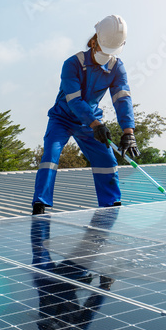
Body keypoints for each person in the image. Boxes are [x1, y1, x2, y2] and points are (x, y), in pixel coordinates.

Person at [32, 14, 140, 215]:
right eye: (103, 49)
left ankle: (111, 204)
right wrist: (95, 124)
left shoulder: (117, 67)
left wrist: (128, 131)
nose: (106, 55)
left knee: (107, 160)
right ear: (93, 41)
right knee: (51, 155)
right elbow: (74, 100)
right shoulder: (72, 64)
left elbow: (121, 98)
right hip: (63, 118)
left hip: (90, 121)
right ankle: (41, 204)